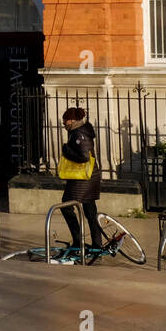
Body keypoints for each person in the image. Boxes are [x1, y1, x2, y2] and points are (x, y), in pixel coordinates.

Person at [60, 106, 103, 253]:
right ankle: (97, 245)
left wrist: (66, 150)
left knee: (66, 206)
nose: (63, 122)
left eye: (65, 119)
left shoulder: (79, 134)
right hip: (87, 176)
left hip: (83, 178)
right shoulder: (80, 131)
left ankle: (78, 242)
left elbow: (84, 157)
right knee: (90, 210)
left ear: (73, 120)